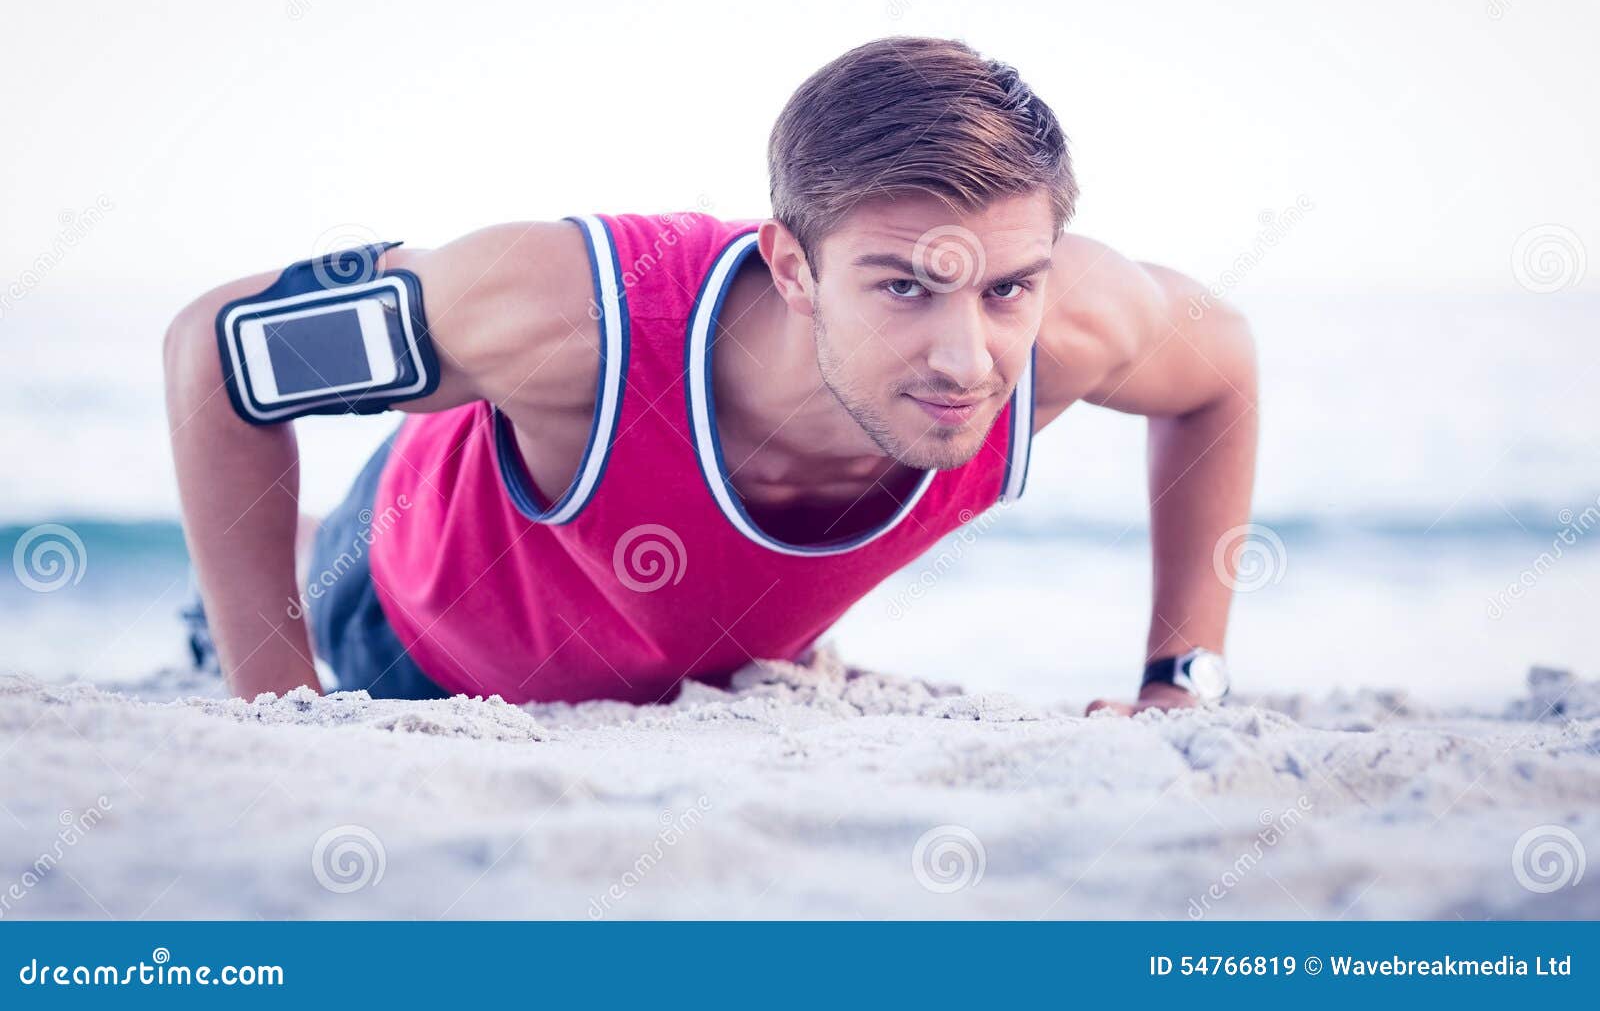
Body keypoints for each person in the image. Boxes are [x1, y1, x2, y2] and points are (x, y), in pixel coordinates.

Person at [162, 35, 1258, 716]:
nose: (968, 359)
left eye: (1007, 287)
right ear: (793, 266)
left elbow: (1222, 372)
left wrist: (1181, 680)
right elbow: (215, 349)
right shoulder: (569, 312)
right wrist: (278, 704)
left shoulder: (1075, 320)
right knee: (306, 566)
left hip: (706, 654)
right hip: (407, 619)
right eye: (903, 287)